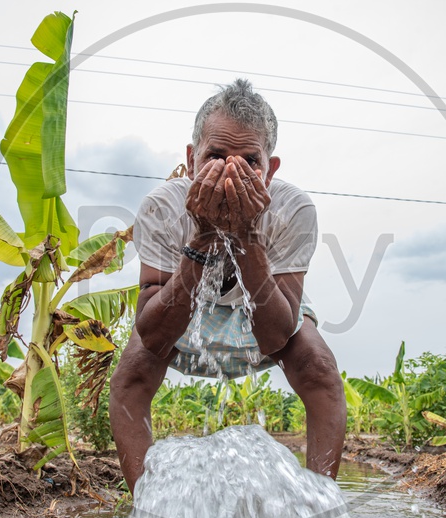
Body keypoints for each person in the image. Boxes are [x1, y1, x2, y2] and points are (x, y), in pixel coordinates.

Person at [109, 79, 346, 494]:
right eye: (215, 157)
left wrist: (248, 235)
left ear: (270, 170)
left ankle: (320, 507)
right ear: (192, 160)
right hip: (185, 297)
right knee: (132, 372)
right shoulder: (163, 207)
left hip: (268, 300)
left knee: (318, 367)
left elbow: (276, 336)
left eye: (249, 162)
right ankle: (146, 510)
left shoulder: (294, 210)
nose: (230, 175)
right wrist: (201, 236)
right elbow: (153, 332)